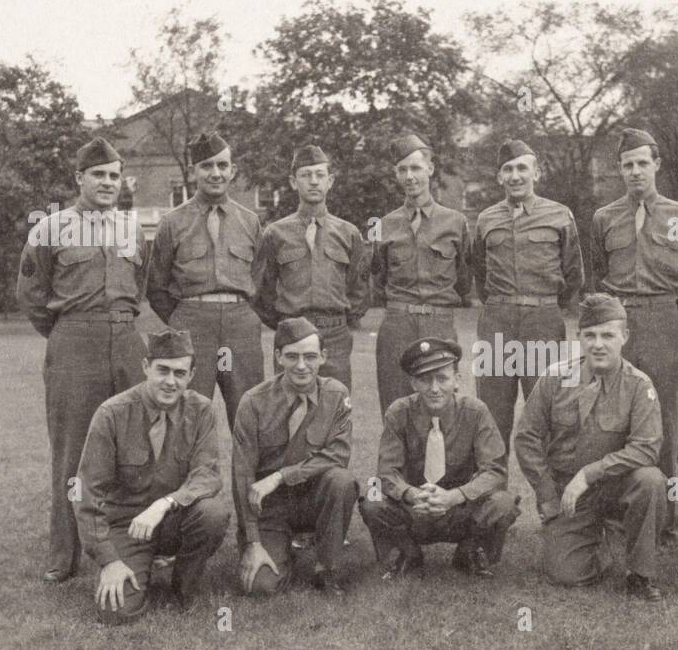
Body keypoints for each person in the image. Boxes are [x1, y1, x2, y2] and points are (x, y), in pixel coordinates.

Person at [15, 135, 148, 583]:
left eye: (114, 175)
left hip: (127, 340)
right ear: (79, 178)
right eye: (99, 175)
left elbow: (140, 289)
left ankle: (134, 545)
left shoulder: (132, 230)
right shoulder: (50, 229)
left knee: (133, 444)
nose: (108, 182)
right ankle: (63, 555)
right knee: (72, 449)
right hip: (74, 342)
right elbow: (32, 297)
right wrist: (70, 334)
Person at [514, 293, 667, 601]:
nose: (598, 344)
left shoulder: (639, 386)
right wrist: (547, 496)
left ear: (624, 336)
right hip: (570, 495)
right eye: (590, 335)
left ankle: (639, 573)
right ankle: (601, 546)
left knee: (650, 480)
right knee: (565, 574)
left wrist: (589, 473)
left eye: (608, 335)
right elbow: (526, 437)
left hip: (618, 490)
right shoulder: (555, 379)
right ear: (578, 337)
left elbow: (647, 449)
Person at [75, 328, 228, 622]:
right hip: (127, 526)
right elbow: (86, 494)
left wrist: (165, 504)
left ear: (192, 375)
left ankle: (184, 587)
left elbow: (207, 475)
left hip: (174, 519)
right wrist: (109, 560)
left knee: (213, 512)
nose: (171, 382)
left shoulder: (201, 410)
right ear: (145, 367)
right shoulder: (112, 413)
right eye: (163, 370)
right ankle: (135, 564)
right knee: (115, 612)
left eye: (180, 373)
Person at [587, 127, 678, 493]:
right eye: (627, 165)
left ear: (657, 165)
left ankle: (668, 513)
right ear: (619, 170)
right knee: (612, 408)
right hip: (617, 322)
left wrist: (663, 311)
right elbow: (598, 275)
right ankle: (616, 508)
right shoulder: (604, 218)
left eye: (642, 163)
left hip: (662, 320)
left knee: (666, 414)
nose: (635, 171)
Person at [358, 337, 518, 579]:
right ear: (413, 383)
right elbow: (387, 472)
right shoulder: (399, 413)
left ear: (457, 380)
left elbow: (495, 470)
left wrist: (453, 497)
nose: (434, 388)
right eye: (425, 379)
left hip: (460, 510)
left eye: (442, 378)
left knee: (503, 502)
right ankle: (407, 552)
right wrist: (412, 494)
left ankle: (470, 552)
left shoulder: (476, 412)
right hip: (415, 508)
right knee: (372, 496)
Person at [147, 131, 265, 431]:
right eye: (207, 166)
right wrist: (181, 319)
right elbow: (156, 285)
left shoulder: (249, 221)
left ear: (232, 170)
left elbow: (262, 280)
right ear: (193, 171)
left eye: (222, 166)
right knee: (187, 416)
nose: (216, 173)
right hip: (192, 323)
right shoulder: (172, 222)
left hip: (241, 325)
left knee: (249, 415)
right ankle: (195, 480)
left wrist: (246, 314)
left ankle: (250, 481)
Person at [231, 317, 358, 596]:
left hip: (314, 497)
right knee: (260, 587)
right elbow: (242, 475)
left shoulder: (336, 395)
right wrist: (252, 543)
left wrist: (280, 476)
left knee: (342, 480)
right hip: (270, 508)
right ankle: (280, 549)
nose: (302, 366)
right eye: (292, 356)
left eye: (310, 356)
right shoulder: (253, 402)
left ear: (323, 357)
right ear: (278, 357)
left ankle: (327, 569)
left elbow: (337, 454)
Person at [470, 138, 583, 448]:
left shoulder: (560, 215)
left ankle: (548, 496)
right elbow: (480, 272)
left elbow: (573, 273)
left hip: (543, 321)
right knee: (492, 415)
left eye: (522, 168)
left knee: (549, 411)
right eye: (508, 169)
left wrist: (545, 305)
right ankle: (494, 495)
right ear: (499, 177)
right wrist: (502, 304)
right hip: (496, 323)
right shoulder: (485, 219)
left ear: (537, 172)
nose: (515, 175)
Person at [251, 144, 370, 389]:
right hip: (291, 334)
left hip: (334, 335)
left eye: (319, 175)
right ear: (294, 182)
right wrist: (286, 322)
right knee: (288, 408)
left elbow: (359, 289)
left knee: (336, 406)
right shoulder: (275, 233)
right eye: (306, 175)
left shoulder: (348, 233)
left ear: (330, 181)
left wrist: (340, 319)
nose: (313, 182)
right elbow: (262, 290)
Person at [371, 133, 472, 414]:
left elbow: (465, 279)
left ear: (430, 168)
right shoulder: (384, 225)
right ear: (396, 174)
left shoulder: (456, 222)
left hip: (439, 323)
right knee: (395, 408)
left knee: (440, 407)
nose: (409, 176)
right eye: (402, 170)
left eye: (415, 168)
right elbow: (377, 281)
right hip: (397, 325)